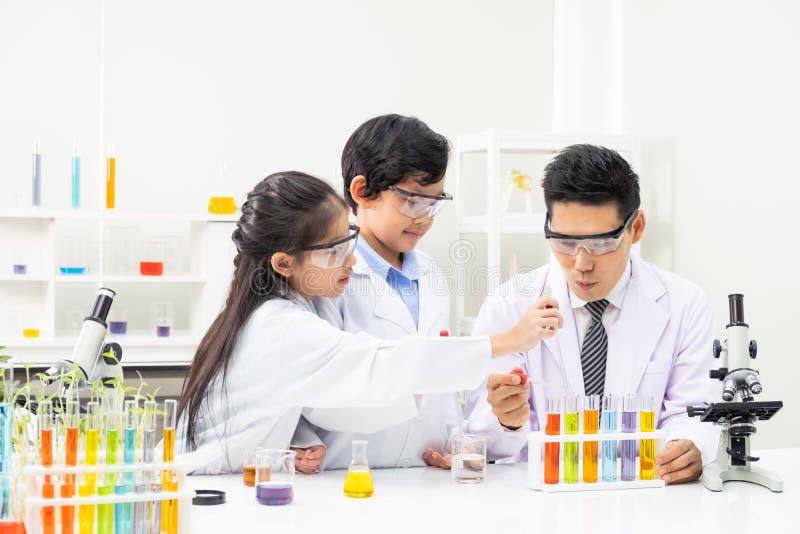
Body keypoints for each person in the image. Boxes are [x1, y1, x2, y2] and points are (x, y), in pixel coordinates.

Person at [175, 171, 553, 474]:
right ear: (284, 264)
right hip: (204, 487)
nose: (352, 260)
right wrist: (507, 340)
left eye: (348, 241)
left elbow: (337, 402)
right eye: (334, 250)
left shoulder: (276, 314)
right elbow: (382, 362)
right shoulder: (280, 328)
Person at [466, 144, 719, 484]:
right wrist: (507, 420)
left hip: (643, 497)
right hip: (542, 501)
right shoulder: (509, 305)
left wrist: (690, 445)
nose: (581, 264)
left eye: (601, 243)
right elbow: (484, 442)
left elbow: (694, 413)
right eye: (564, 242)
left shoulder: (685, 305)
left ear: (637, 228)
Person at [292, 114, 459, 470]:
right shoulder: (326, 278)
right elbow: (309, 379)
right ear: (362, 192)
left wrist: (456, 441)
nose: (425, 218)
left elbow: (442, 382)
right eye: (413, 201)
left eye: (434, 203)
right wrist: (301, 441)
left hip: (424, 473)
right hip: (345, 472)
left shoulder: (432, 275)